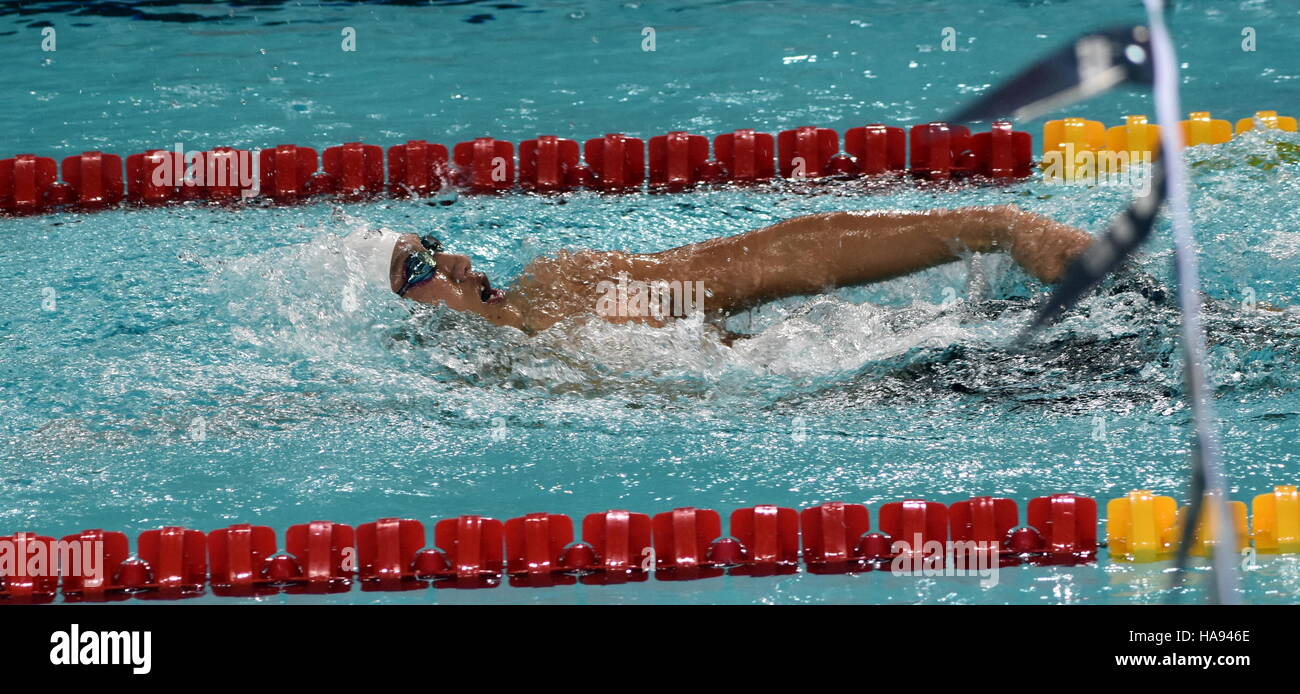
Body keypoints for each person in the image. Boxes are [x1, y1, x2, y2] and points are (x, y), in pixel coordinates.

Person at [341, 205, 1092, 335]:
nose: (463, 261)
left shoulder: (569, 289)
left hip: (903, 369)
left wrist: (990, 229)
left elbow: (765, 262)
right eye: (422, 265)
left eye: (440, 245)